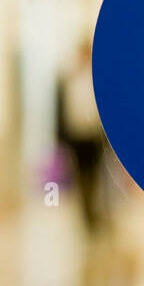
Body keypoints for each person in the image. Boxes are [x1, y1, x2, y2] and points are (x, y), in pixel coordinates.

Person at [56, 41, 106, 231]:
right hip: (76, 137)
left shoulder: (95, 80)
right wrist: (61, 139)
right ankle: (86, 213)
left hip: (93, 137)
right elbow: (60, 112)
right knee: (80, 175)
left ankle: (92, 211)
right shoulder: (68, 80)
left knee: (93, 176)